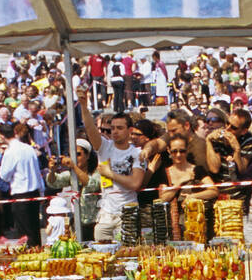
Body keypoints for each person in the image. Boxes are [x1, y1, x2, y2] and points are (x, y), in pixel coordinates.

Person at [79, 86, 143, 242]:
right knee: (102, 255)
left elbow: (135, 183)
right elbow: (90, 128)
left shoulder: (137, 153)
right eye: (112, 128)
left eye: (120, 128)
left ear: (130, 130)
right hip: (106, 213)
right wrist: (83, 106)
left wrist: (110, 174)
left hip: (128, 212)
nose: (114, 132)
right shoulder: (104, 147)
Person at [158, 138, 217, 242]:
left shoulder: (197, 170)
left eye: (182, 151)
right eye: (174, 151)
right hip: (174, 226)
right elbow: (163, 198)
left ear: (187, 150)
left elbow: (213, 191)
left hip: (197, 223)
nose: (178, 155)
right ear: (168, 151)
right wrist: (180, 183)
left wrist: (193, 196)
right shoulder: (165, 173)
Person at [0, 120, 45, 245]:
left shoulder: (10, 152)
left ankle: (30, 257)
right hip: (34, 192)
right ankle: (36, 252)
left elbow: (4, 175)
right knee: (34, 230)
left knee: (24, 232)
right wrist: (42, 190)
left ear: (2, 136)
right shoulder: (28, 148)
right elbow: (37, 171)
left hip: (20, 193)